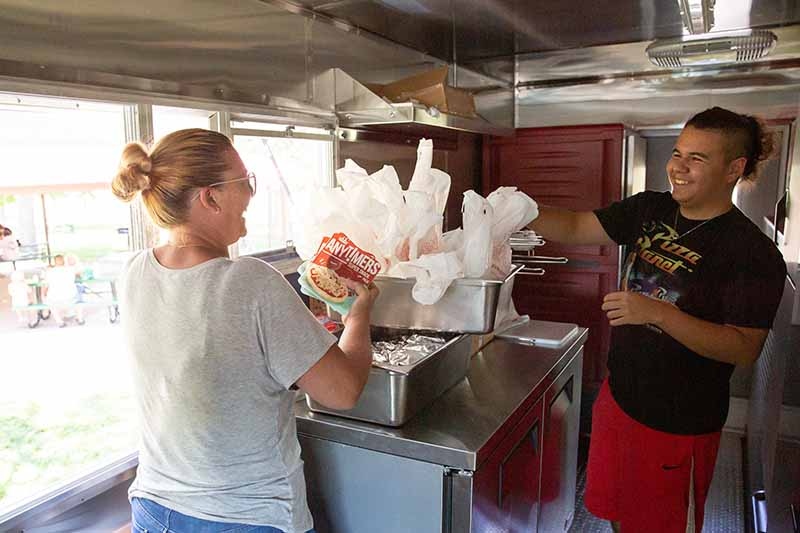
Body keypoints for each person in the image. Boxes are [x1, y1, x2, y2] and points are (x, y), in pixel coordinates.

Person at [528, 107, 786, 532]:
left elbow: (744, 347)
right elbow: (574, 225)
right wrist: (513, 208)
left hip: (678, 426)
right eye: (678, 153)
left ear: (734, 169)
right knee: (616, 515)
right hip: (619, 400)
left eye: (696, 159)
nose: (677, 167)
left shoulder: (751, 252)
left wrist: (658, 313)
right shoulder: (651, 208)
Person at [111, 128, 378, 533]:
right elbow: (342, 391)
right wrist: (358, 317)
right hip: (247, 517)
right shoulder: (252, 281)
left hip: (154, 510)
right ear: (210, 197)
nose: (252, 193)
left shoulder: (133, 271)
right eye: (245, 181)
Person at [45, 254, 84, 327]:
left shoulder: (49, 272)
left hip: (55, 298)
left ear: (54, 262)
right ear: (64, 261)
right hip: (71, 297)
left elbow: (46, 286)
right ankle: (80, 318)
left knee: (49, 301)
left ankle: (59, 321)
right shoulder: (70, 269)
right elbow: (79, 274)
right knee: (79, 297)